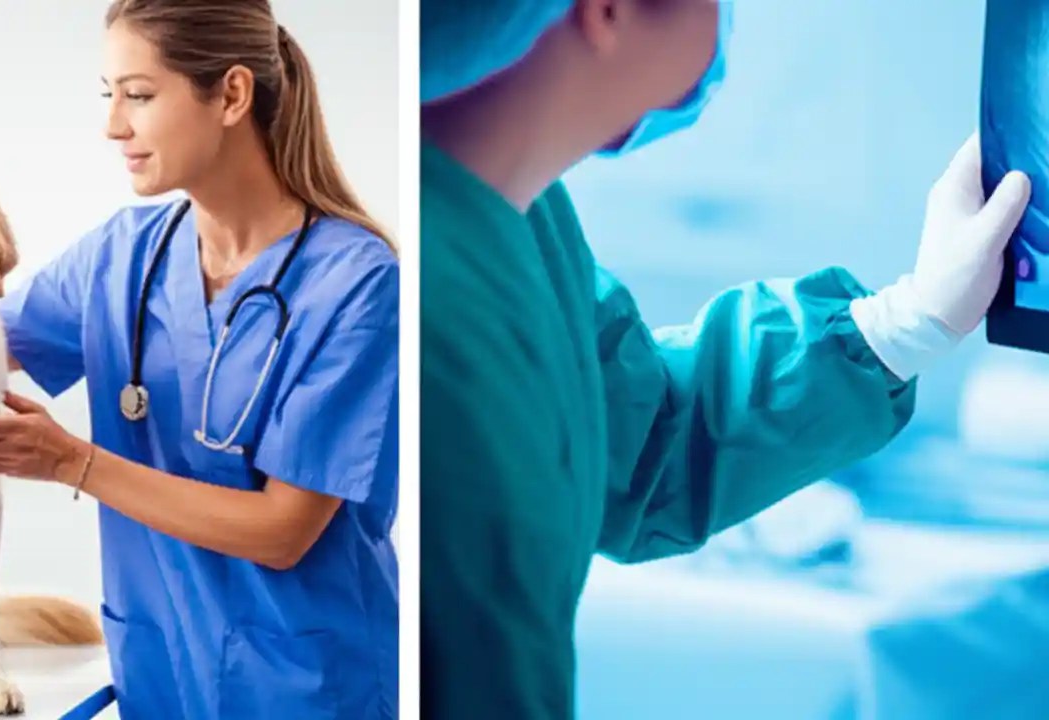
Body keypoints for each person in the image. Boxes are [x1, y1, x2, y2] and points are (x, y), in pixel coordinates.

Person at [419, 1, 1032, 718]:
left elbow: (631, 435)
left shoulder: (508, 218)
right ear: (608, 10)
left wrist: (903, 324)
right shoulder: (431, 314)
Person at [0, 2, 399, 718]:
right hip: (164, 677)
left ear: (233, 95)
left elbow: (284, 531)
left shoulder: (354, 280)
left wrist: (71, 462)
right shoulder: (122, 257)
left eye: (139, 95)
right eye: (110, 95)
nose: (113, 124)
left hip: (306, 687)